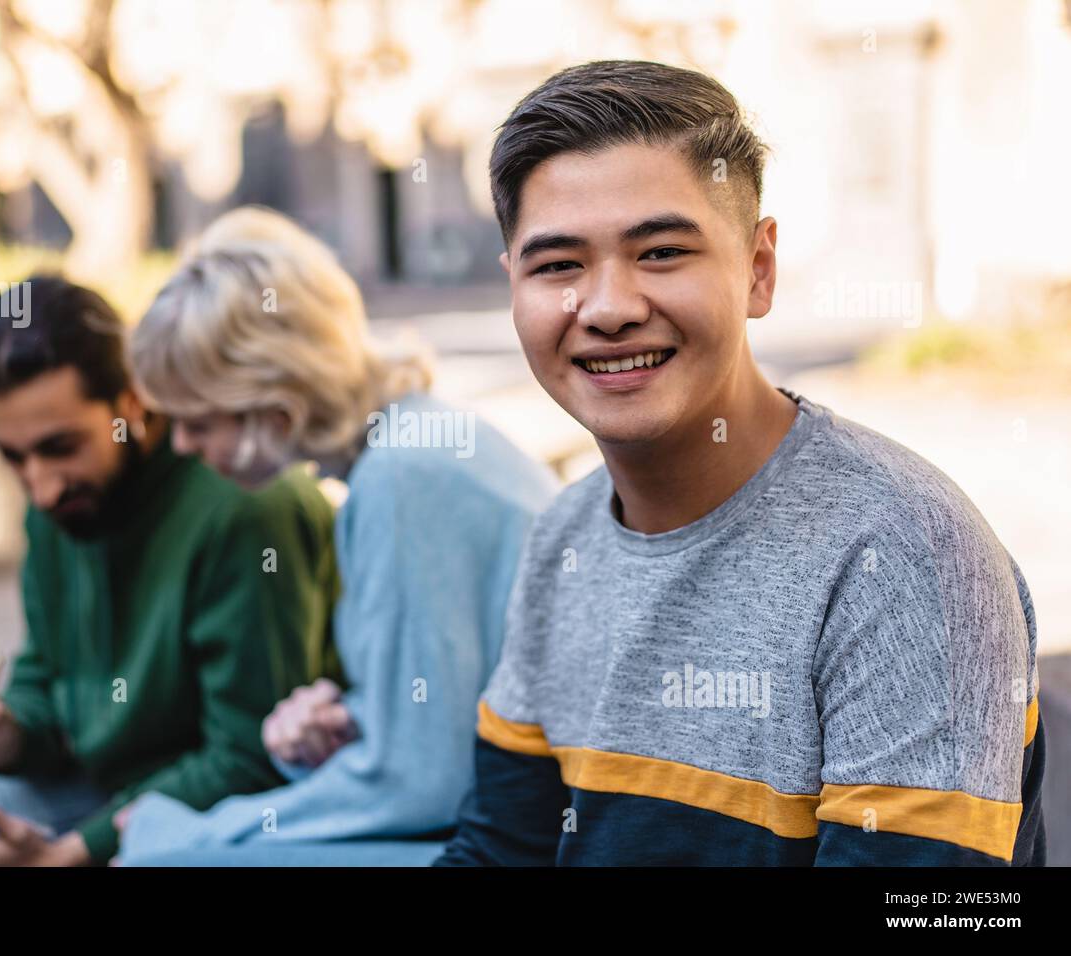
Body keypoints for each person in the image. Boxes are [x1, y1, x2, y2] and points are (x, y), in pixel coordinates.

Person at [435, 60, 1045, 866]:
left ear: (758, 270)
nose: (611, 307)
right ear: (514, 286)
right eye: (558, 265)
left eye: (660, 252)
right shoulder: (564, 538)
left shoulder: (900, 552)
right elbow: (500, 852)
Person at [115, 207, 558, 866]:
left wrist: (192, 836)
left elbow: (419, 783)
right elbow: (440, 721)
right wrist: (348, 723)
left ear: (273, 407)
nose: (181, 445)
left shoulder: (400, 478)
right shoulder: (407, 449)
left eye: (197, 421)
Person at [0, 276, 338, 866]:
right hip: (95, 786)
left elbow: (248, 758)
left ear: (131, 402)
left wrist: (71, 855)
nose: (39, 486)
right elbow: (43, 672)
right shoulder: (58, 503)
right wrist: (8, 737)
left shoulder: (245, 503)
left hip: (213, 807)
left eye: (59, 447)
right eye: (12, 456)